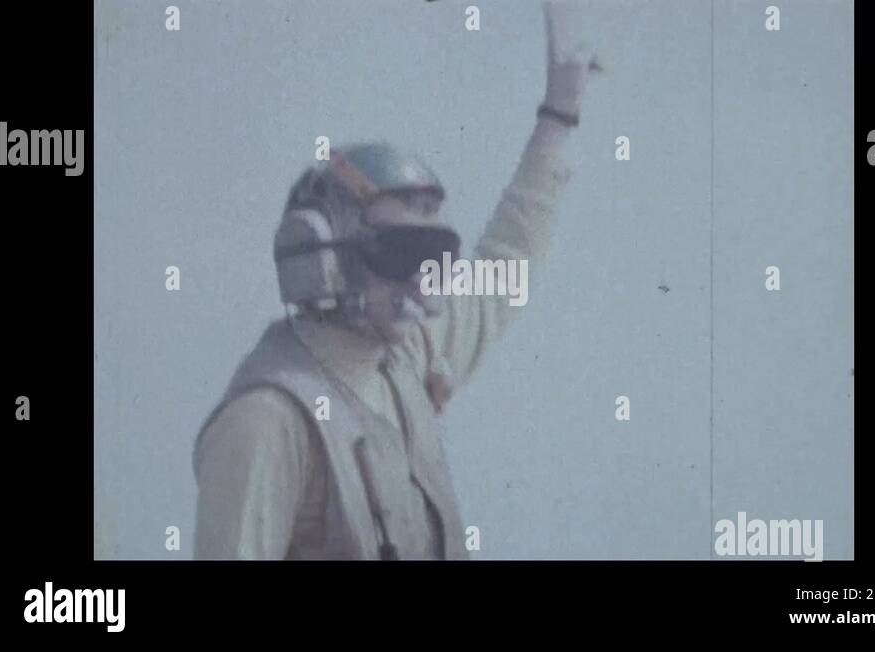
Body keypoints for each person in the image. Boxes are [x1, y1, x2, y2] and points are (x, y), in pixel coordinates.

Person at [193, 1, 600, 560]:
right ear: (323, 257)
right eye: (403, 252)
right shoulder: (267, 423)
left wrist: (561, 114)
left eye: (435, 255)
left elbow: (508, 260)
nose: (424, 283)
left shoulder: (402, 361)